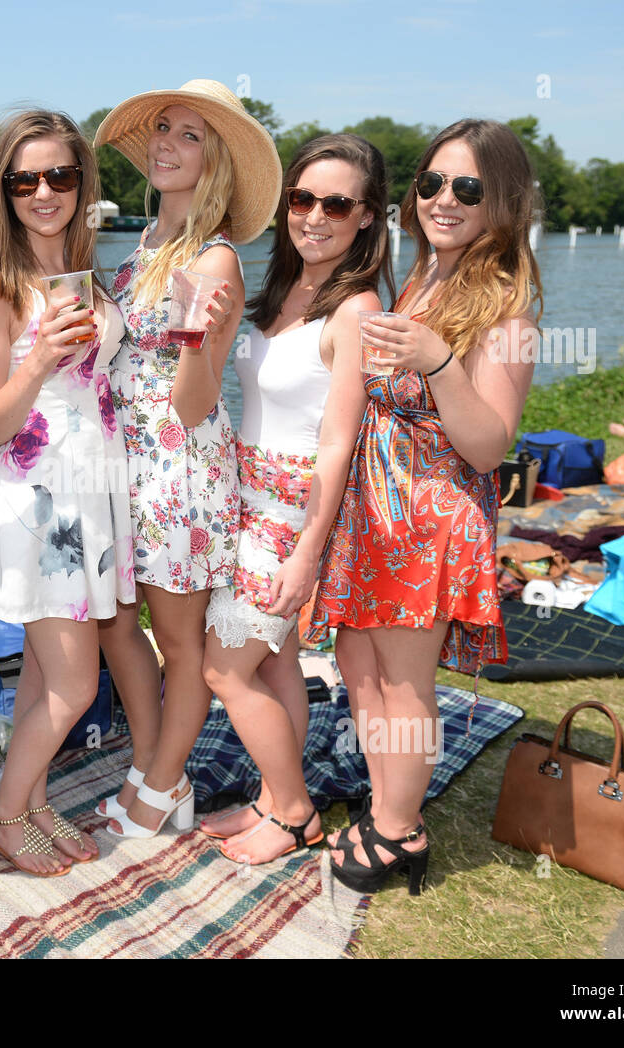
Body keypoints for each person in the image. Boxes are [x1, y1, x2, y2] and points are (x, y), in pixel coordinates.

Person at [305, 119, 542, 894]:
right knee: (357, 668)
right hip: (375, 509)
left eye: (466, 188)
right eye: (432, 183)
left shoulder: (509, 306)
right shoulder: (424, 276)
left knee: (405, 685)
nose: (444, 199)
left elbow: (490, 446)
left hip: (430, 519)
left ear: (500, 201)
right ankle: (385, 806)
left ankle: (400, 832)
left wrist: (437, 360)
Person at [91, 80, 281, 838]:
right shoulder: (143, 246)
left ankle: (164, 787)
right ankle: (151, 764)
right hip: (128, 466)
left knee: (180, 644)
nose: (167, 142)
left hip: (180, 474)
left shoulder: (215, 261)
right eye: (162, 129)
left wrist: (199, 336)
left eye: (190, 134)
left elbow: (196, 403)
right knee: (116, 623)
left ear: (219, 161)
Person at [200, 134, 394, 863]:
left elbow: (339, 442)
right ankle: (270, 797)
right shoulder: (280, 291)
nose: (314, 215)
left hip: (290, 509)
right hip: (242, 494)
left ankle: (295, 814)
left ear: (368, 217)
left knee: (224, 666)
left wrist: (308, 552)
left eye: (336, 204)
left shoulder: (357, 309)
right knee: (274, 664)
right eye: (302, 198)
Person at [0, 110, 131, 875]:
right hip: (43, 500)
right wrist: (38, 363)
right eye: (23, 180)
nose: (43, 192)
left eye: (60, 175)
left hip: (96, 490)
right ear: (3, 190)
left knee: (40, 669)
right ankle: (3, 817)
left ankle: (29, 803)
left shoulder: (86, 274)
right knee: (72, 680)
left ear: (82, 182)